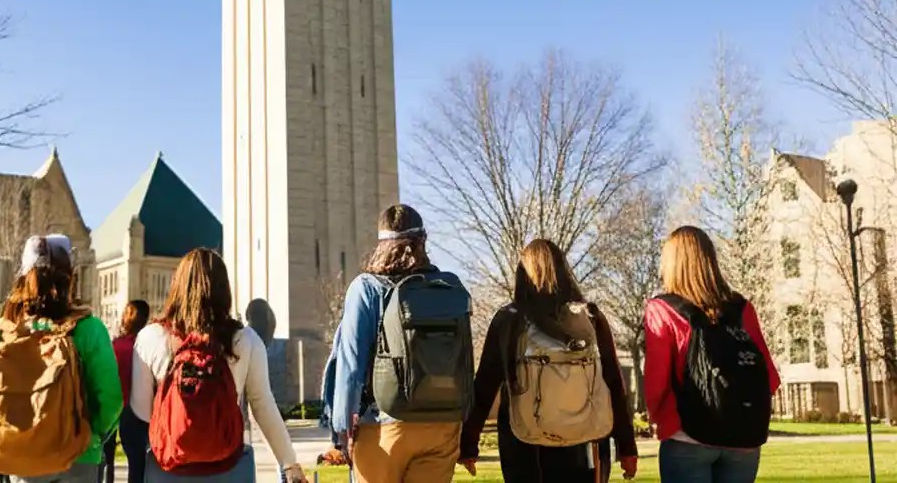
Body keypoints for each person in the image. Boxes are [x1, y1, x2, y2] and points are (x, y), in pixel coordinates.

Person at [460, 238, 637, 483]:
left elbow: (484, 386)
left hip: (525, 447)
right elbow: (614, 385)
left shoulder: (509, 320)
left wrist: (469, 444)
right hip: (585, 441)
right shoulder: (590, 318)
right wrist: (627, 446)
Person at [322, 204, 472, 483]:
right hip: (443, 425)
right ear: (423, 240)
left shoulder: (367, 288)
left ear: (381, 243)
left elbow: (351, 368)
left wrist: (342, 433)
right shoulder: (450, 287)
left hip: (385, 427)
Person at [130, 248, 308, 483]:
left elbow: (142, 410)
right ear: (224, 288)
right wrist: (288, 463)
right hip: (228, 468)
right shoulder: (246, 340)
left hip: (169, 468)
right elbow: (263, 407)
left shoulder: (150, 337)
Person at [0, 235, 123, 483]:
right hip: (77, 458)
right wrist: (90, 435)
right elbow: (110, 398)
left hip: (19, 457)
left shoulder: (3, 330)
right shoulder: (89, 328)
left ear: (23, 276)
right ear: (69, 276)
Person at [645, 226, 780, 483]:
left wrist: (660, 420)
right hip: (744, 440)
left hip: (688, 437)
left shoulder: (663, 309)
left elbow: (656, 381)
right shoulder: (741, 308)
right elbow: (770, 378)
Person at [106, 300, 151, 483]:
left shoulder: (115, 346)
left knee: (107, 458)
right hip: (135, 409)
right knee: (136, 461)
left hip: (112, 405)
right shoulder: (143, 347)